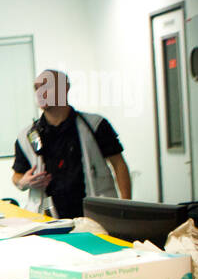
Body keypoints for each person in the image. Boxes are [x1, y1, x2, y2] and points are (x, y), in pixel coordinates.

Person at [12, 68, 131, 217]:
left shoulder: (95, 125)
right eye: (37, 88)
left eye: (46, 86)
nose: (40, 92)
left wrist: (126, 208)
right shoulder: (28, 136)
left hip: (94, 216)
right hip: (50, 219)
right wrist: (23, 182)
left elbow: (119, 165)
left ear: (65, 88)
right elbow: (17, 176)